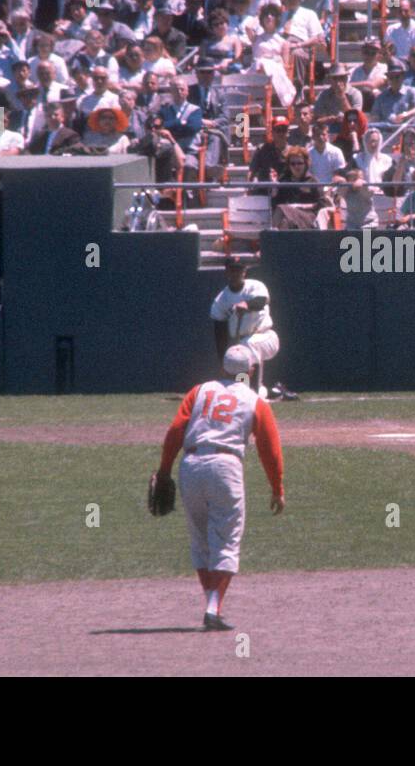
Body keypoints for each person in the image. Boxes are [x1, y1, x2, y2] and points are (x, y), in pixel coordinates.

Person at [151, 344, 285, 632]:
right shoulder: (253, 400)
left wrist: (164, 469)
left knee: (200, 540)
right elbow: (269, 449)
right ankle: (212, 609)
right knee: (226, 540)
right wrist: (277, 487)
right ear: (250, 371)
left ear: (222, 367)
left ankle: (213, 606)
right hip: (226, 466)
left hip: (192, 463)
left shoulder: (199, 391)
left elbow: (176, 430)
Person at [210, 259, 284, 400]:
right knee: (238, 357)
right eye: (232, 270)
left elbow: (262, 301)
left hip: (266, 336)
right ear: (226, 272)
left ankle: (253, 396)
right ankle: (273, 391)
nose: (236, 273)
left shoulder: (255, 286)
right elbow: (219, 334)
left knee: (247, 345)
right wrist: (223, 362)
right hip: (243, 341)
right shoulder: (221, 300)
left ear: (244, 272)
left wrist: (247, 304)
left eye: (239, 270)